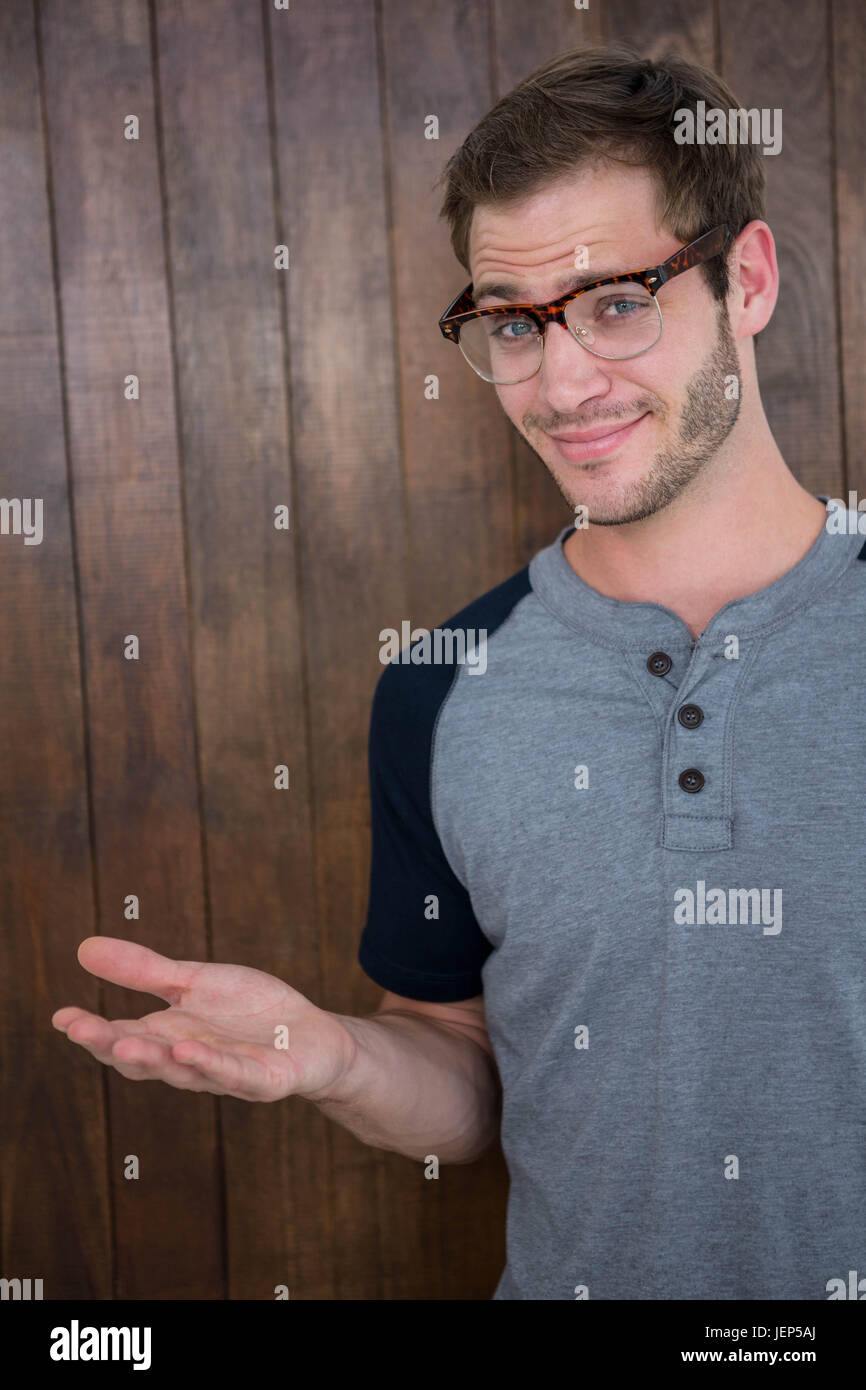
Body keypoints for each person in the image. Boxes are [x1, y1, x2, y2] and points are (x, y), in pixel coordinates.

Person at [53, 42, 866, 1301]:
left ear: (743, 280)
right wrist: (334, 1058)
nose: (562, 381)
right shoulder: (438, 689)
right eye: (512, 323)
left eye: (616, 301)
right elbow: (465, 1071)